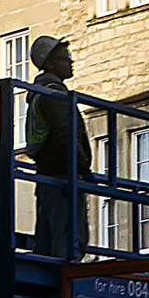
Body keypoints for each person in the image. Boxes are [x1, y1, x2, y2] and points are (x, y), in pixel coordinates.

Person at [25, 34, 92, 260]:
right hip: (63, 173)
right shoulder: (54, 94)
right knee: (67, 238)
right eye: (66, 58)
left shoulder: (42, 92)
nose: (71, 61)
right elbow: (65, 134)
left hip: (50, 173)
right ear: (51, 63)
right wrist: (83, 168)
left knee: (49, 236)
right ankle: (64, 273)